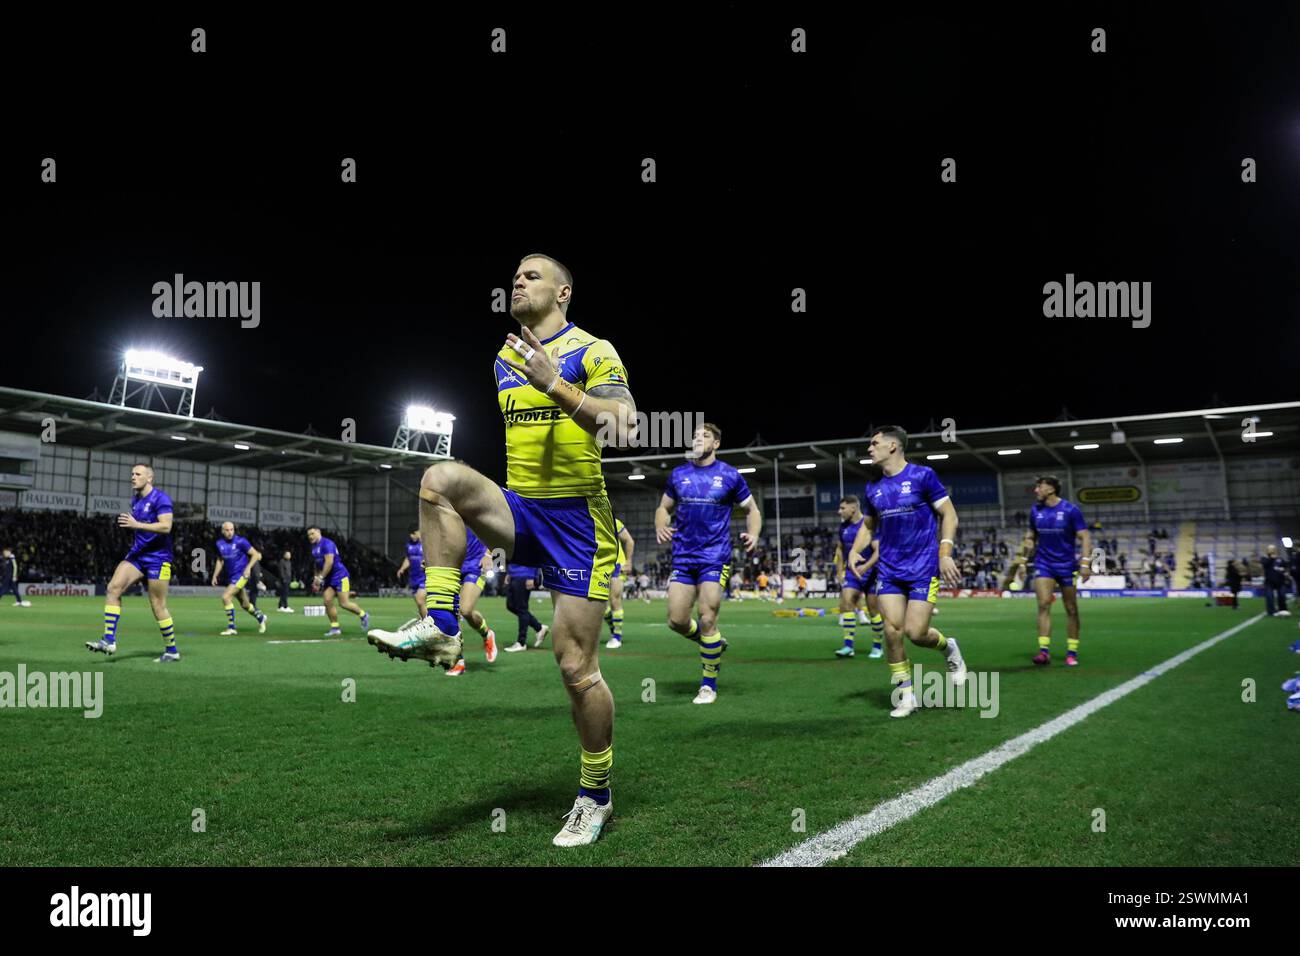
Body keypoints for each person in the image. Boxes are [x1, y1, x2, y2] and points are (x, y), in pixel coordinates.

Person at [364, 253, 634, 845]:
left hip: (578, 522)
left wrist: (556, 385)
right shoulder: (504, 357)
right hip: (522, 506)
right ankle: (440, 625)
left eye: (532, 275)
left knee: (575, 667)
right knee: (440, 480)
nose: (518, 281)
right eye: (515, 275)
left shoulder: (594, 349)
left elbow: (625, 427)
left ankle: (596, 796)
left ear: (563, 292)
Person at [848, 426, 965, 718]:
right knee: (892, 630)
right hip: (889, 568)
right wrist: (855, 550)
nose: (869, 448)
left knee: (916, 632)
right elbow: (868, 525)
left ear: (893, 446)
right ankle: (906, 696)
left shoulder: (923, 476)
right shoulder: (873, 488)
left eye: (874, 443)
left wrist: (946, 552)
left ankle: (948, 647)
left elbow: (949, 514)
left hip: (924, 565)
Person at [655, 422, 762, 704]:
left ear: (716, 444)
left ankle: (708, 685)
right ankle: (711, 641)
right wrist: (660, 525)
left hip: (715, 556)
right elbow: (664, 508)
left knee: (707, 616)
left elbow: (751, 509)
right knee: (676, 620)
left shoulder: (729, 475)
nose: (696, 439)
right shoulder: (678, 474)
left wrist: (753, 534)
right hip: (683, 555)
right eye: (693, 436)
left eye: (703, 436)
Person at [86, 463, 180, 662]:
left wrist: (136, 524)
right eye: (132, 474)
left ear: (149, 478)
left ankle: (172, 650)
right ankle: (109, 641)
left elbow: (166, 527)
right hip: (138, 555)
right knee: (113, 588)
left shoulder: (161, 499)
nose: (133, 477)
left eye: (138, 474)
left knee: (157, 605)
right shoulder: (136, 499)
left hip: (159, 559)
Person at [1027, 476, 1091, 666]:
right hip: (1043, 563)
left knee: (1071, 608)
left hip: (1066, 565)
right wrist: (1023, 558)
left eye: (1039, 486)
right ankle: (1044, 652)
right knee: (1044, 604)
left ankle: (1072, 652)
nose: (1036, 490)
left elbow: (1085, 536)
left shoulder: (1071, 510)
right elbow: (1031, 535)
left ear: (1051, 489)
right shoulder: (1035, 510)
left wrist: (1085, 563)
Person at [444, 527, 500, 676]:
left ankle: (487, 634)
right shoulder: (445, 511)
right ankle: (458, 662)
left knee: (466, 610)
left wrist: (490, 555)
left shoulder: (476, 505)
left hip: (476, 565)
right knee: (451, 614)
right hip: (453, 565)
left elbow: (499, 530)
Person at [834, 494, 883, 659]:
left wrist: (866, 567)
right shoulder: (843, 528)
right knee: (847, 603)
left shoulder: (869, 525)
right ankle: (848, 646)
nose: (839, 511)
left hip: (871, 572)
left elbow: (878, 551)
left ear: (853, 507)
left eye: (842, 508)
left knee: (873, 610)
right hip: (851, 573)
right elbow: (840, 550)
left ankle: (877, 646)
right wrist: (839, 571)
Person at [308, 526, 370, 636]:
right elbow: (317, 565)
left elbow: (329, 562)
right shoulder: (314, 548)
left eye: (312, 533)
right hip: (329, 578)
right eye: (309, 535)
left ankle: (363, 615)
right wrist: (315, 578)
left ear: (318, 532)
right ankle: (335, 628)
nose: (310, 536)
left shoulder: (327, 544)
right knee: (327, 601)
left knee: (344, 603)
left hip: (341, 576)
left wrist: (321, 578)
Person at [212, 522, 268, 636]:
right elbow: (220, 560)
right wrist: (215, 575)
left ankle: (231, 627)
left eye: (231, 530)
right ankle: (261, 618)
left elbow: (255, 555)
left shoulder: (241, 541)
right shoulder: (219, 543)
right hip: (231, 576)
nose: (230, 532)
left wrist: (248, 568)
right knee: (245, 604)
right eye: (227, 530)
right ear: (222, 531)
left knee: (226, 597)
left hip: (241, 575)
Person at [604, 517, 636, 648]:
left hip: (616, 565)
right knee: (600, 607)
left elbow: (629, 541)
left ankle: (617, 637)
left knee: (614, 600)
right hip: (599, 566)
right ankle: (614, 629)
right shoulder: (587, 522)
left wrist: (628, 561)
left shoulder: (613, 522)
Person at [503, 562, 550, 651]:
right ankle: (539, 628)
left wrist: (531, 576)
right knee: (510, 606)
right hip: (513, 573)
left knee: (521, 609)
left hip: (525, 574)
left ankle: (521, 643)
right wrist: (509, 573)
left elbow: (533, 555)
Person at [1262, 545, 1290, 617]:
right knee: (1269, 597)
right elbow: (1265, 565)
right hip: (1269, 581)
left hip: (1280, 580)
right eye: (1270, 549)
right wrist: (1271, 558)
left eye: (1273, 549)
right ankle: (1271, 612)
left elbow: (1285, 567)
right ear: (1267, 550)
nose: (1271, 550)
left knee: (1282, 596)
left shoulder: (1280, 559)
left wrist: (1285, 571)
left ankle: (1283, 610)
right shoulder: (1264, 558)